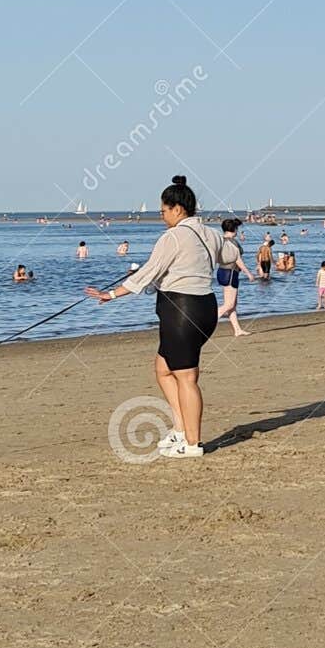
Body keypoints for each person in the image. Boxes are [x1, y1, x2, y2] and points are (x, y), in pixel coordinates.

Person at [85, 175, 219, 458]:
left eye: (163, 211)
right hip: (206, 309)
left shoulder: (173, 236)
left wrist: (110, 295)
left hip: (183, 311)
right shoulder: (211, 234)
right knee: (163, 369)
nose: (162, 217)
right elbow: (232, 253)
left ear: (177, 209)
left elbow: (148, 272)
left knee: (187, 377)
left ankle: (192, 445)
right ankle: (180, 430)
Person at [215, 217, 253, 338]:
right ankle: (207, 321)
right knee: (229, 305)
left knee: (232, 304)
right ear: (234, 229)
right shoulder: (232, 242)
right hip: (230, 273)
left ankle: (237, 330)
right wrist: (248, 273)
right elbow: (237, 260)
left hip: (222, 271)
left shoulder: (220, 240)